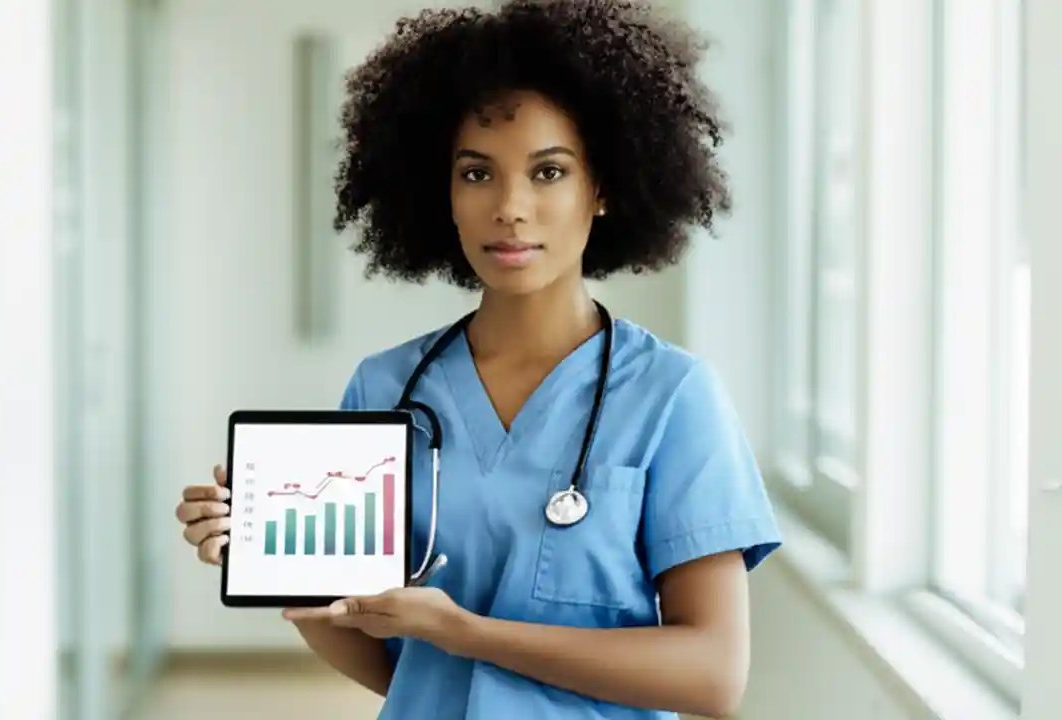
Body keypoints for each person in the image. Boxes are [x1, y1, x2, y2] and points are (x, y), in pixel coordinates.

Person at [175, 1, 782, 717]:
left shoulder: (673, 395)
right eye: (476, 174)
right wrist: (276, 565)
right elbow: (392, 666)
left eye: (548, 172)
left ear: (603, 188)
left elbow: (712, 676)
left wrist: (467, 634)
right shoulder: (386, 387)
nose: (510, 207)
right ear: (443, 193)